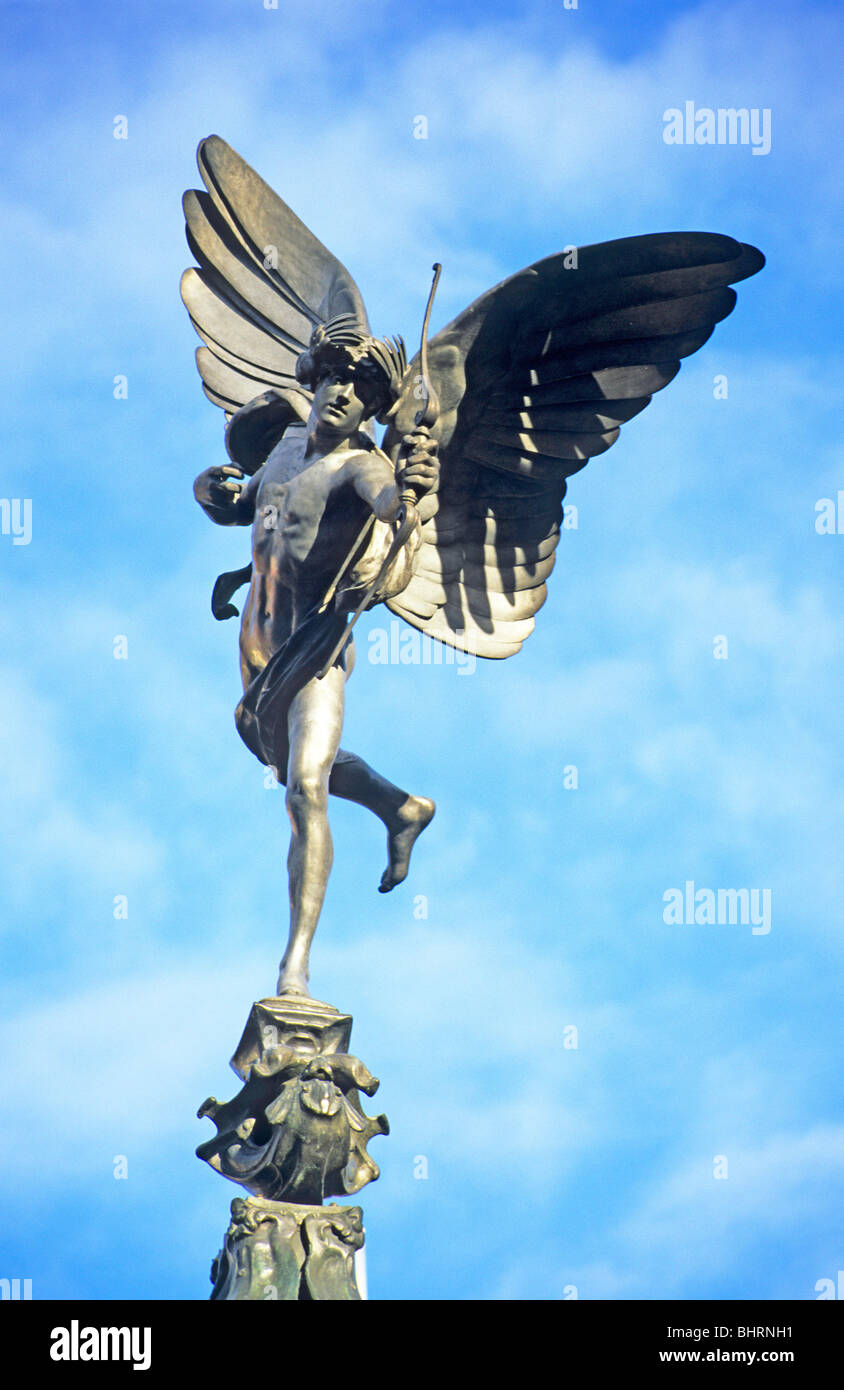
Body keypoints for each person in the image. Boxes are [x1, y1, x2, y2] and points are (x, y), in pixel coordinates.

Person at [193, 317, 439, 997]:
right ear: (314, 378)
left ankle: (294, 966)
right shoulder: (286, 444)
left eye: (358, 389)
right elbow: (248, 508)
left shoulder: (363, 467)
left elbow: (391, 506)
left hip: (315, 645)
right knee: (285, 762)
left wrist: (409, 489)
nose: (341, 394)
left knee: (304, 789)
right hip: (256, 647)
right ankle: (401, 806)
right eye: (333, 377)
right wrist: (212, 493)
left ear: (370, 408)